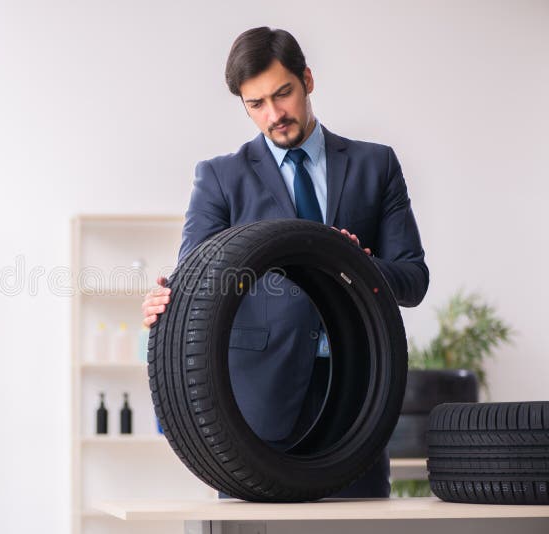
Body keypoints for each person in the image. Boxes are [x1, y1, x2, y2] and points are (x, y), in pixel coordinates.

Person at [141, 27, 428, 498]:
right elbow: (196, 279)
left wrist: (356, 264)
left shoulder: (376, 166)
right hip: (256, 401)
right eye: (256, 104)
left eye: (283, 94)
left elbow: (413, 280)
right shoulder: (220, 177)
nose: (274, 115)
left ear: (307, 80)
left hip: (358, 393)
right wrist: (164, 301)